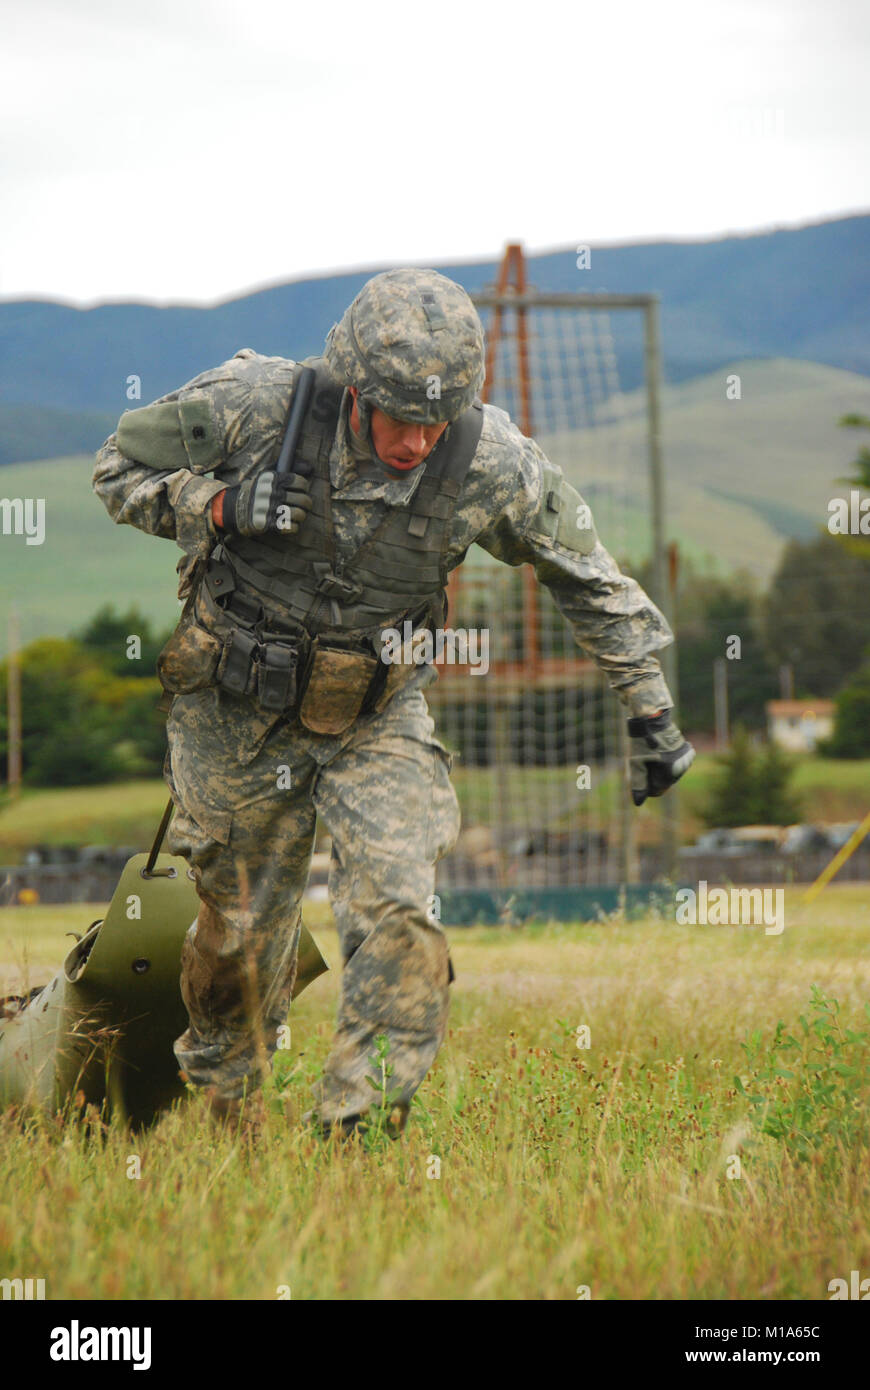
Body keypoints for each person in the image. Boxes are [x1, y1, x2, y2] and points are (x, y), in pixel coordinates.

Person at [93, 268, 694, 1136]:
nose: (416, 442)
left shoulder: (492, 463)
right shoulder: (254, 405)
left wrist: (650, 710)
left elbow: (588, 578)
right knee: (239, 942)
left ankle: (360, 1125)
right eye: (398, 418)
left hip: (378, 711)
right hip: (234, 708)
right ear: (354, 390)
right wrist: (218, 505)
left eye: (434, 422)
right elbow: (114, 468)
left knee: (401, 913)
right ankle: (231, 1102)